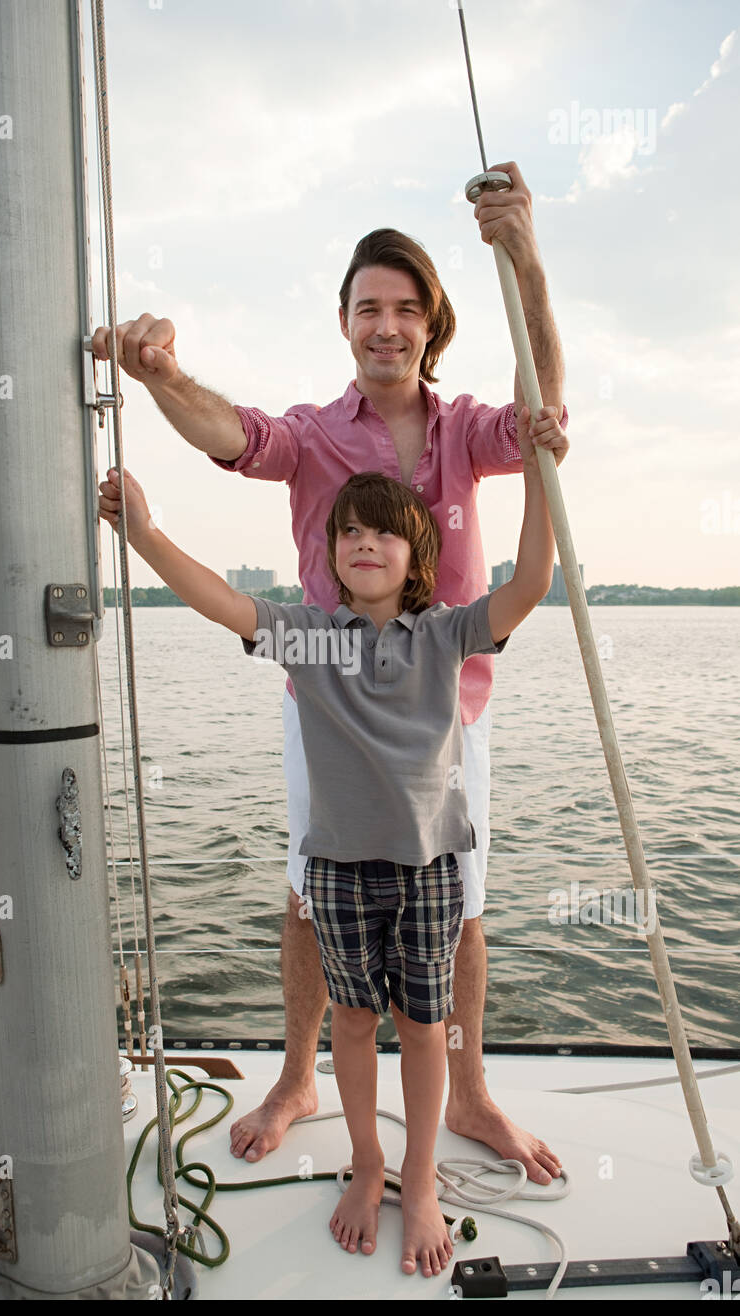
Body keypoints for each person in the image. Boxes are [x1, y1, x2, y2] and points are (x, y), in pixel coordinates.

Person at [92, 161, 569, 1184]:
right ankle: (300, 1075)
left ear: (430, 324)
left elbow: (543, 414)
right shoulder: (311, 432)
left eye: (404, 309)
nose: (384, 325)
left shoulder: (467, 427)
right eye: (367, 308)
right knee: (310, 898)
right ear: (344, 322)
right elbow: (235, 435)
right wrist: (163, 377)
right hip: (325, 707)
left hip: (452, 712)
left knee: (463, 908)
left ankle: (470, 1093)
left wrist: (523, 259)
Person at [98, 404, 566, 1276]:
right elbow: (218, 599)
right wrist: (145, 531)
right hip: (340, 876)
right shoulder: (307, 638)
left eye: (385, 536)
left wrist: (540, 472)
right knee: (353, 1020)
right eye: (348, 533)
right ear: (328, 556)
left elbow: (533, 580)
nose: (364, 545)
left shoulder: (446, 634)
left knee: (424, 1029)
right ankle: (368, 1160)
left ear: (416, 559)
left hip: (430, 874)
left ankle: (419, 1181)